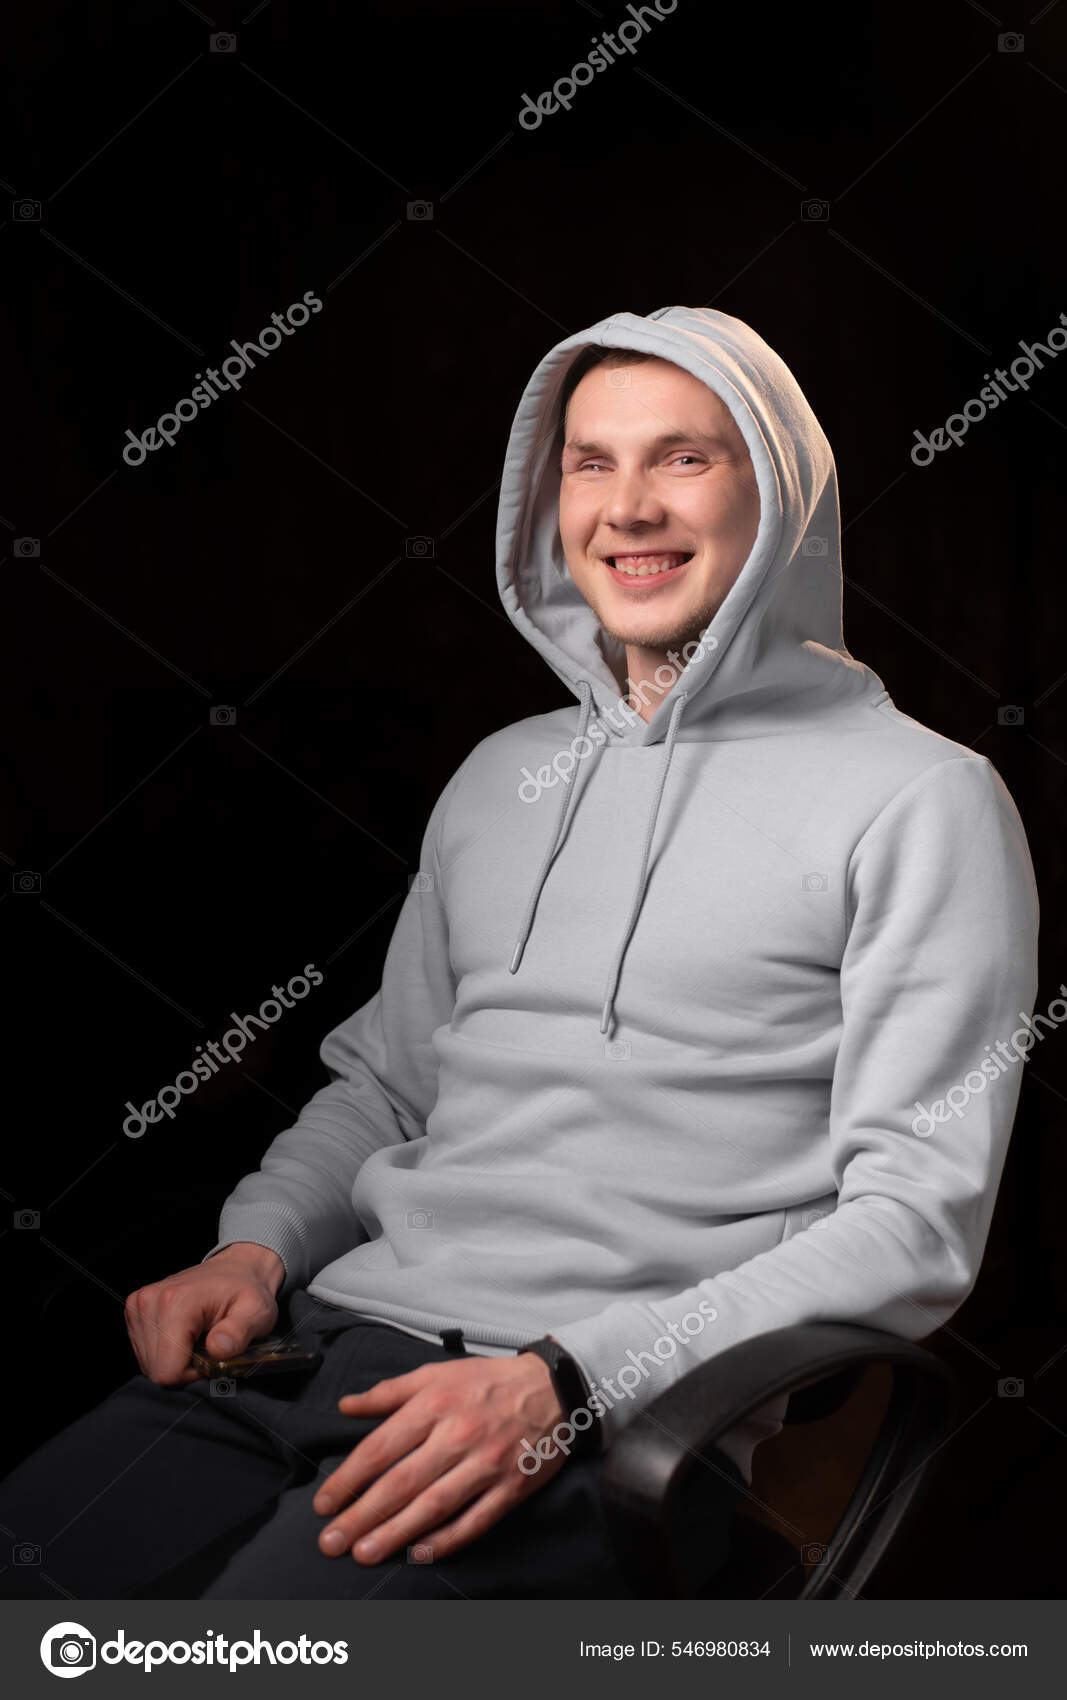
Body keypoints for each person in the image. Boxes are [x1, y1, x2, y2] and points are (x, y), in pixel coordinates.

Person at [0, 305, 1039, 1601]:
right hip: (311, 1351)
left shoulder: (923, 801)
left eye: (684, 457)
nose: (629, 507)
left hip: (597, 1422)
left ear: (780, 494)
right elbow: (388, 1090)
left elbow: (912, 1227)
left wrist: (570, 1382)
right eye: (592, 462)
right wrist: (254, 1247)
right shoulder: (503, 776)